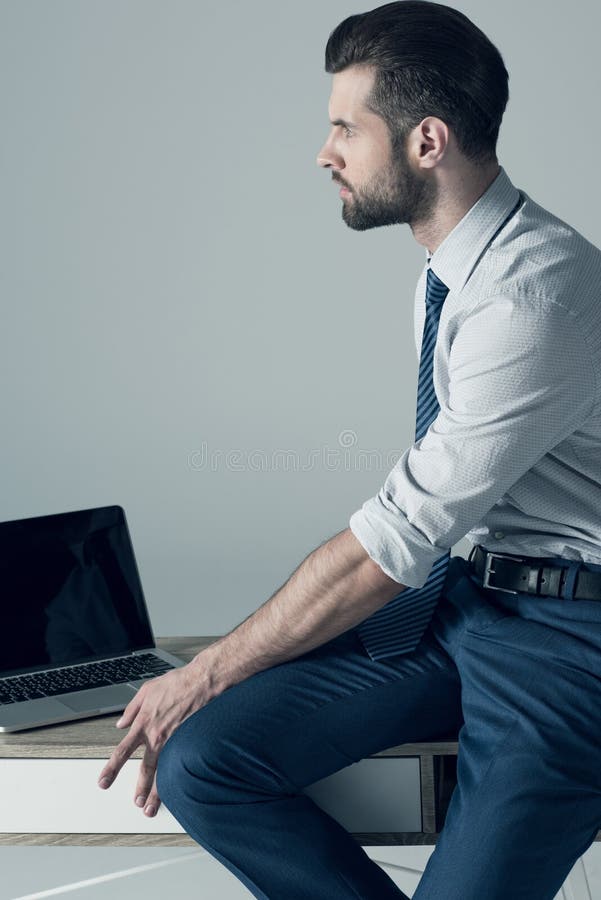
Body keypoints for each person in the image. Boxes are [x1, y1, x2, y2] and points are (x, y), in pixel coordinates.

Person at [97, 2, 601, 897]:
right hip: (473, 599)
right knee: (204, 761)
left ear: (426, 141)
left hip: (572, 641)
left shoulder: (533, 300)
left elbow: (392, 540)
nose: (324, 152)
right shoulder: (459, 269)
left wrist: (205, 671)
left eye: (344, 127)